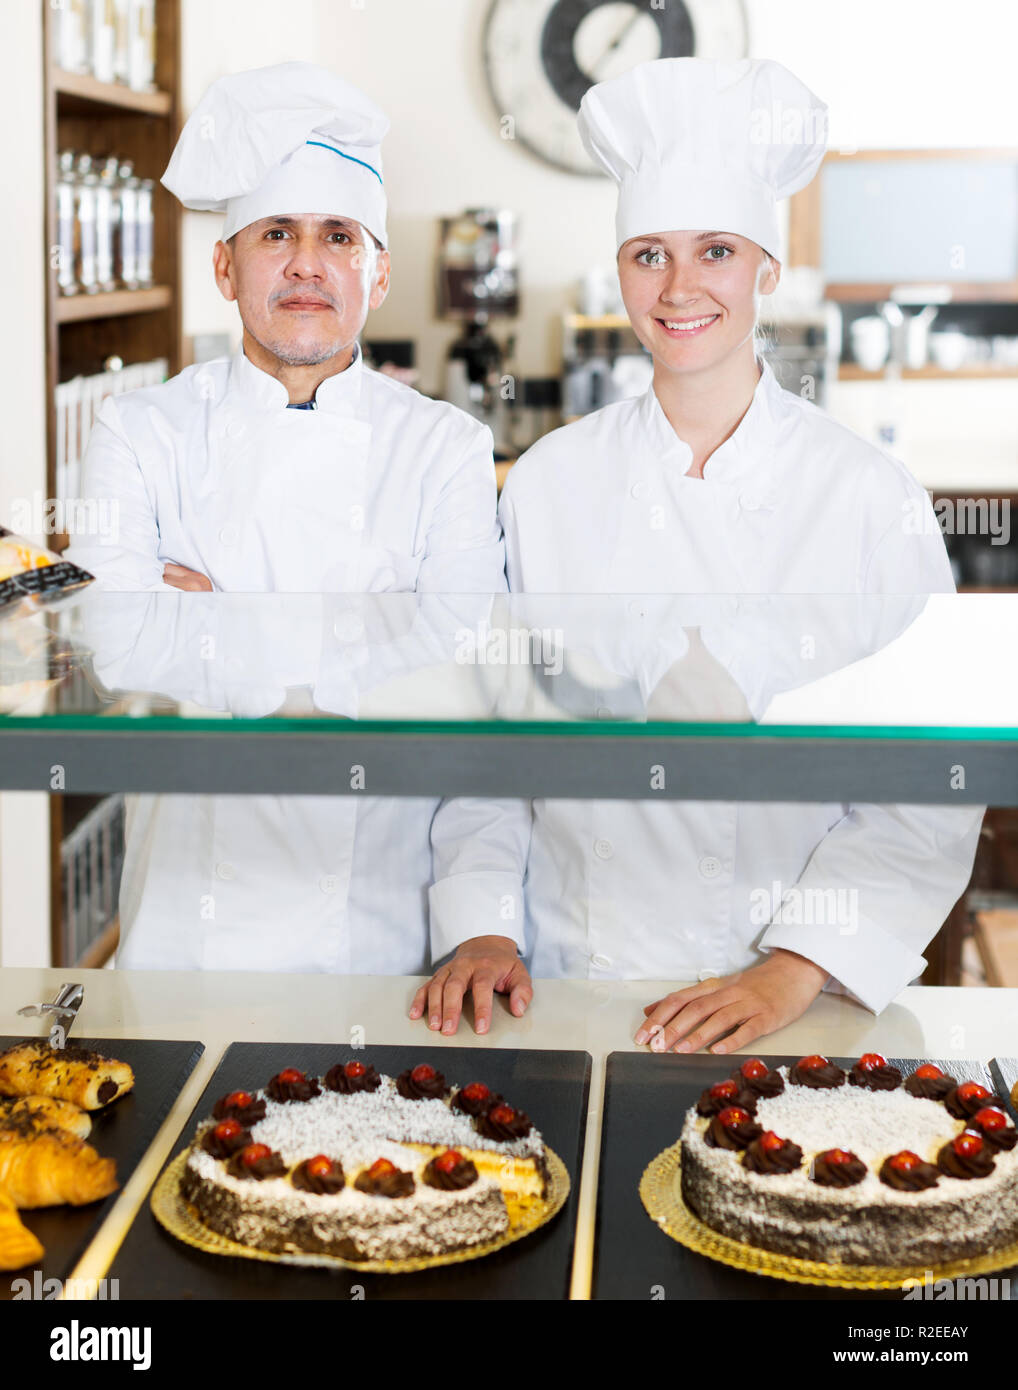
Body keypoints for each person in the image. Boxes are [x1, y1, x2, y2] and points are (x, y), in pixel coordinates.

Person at [414, 57, 983, 1049]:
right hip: (558, 986)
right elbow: (495, 739)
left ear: (766, 269)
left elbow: (928, 777)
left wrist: (795, 964)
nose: (678, 288)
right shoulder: (545, 482)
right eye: (648, 254)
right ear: (619, 272)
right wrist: (482, 923)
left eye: (714, 249)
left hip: (786, 1007)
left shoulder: (863, 496)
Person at [64, 63, 505, 975]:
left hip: (381, 923)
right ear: (226, 266)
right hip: (187, 923)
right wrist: (371, 629)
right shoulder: (139, 427)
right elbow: (115, 644)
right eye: (277, 234)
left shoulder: (449, 447)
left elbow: (456, 679)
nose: (308, 263)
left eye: (338, 235)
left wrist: (213, 617)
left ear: (376, 274)